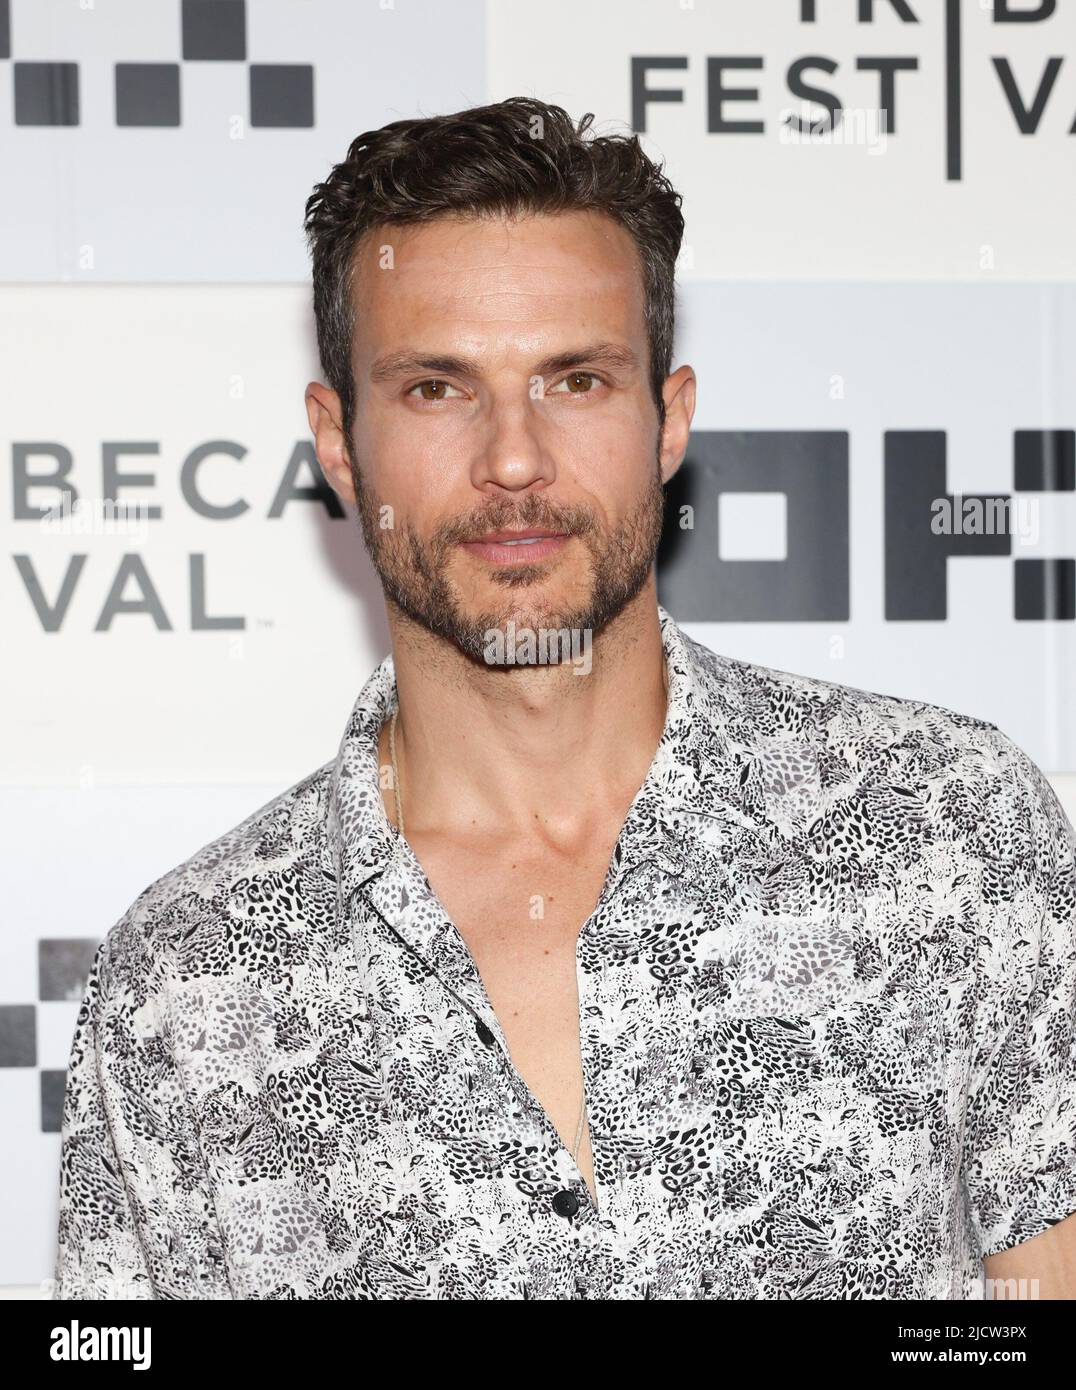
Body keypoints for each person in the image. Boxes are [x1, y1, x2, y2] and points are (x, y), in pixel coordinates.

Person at [53, 97, 1076, 1300]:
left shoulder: (951, 832)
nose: (514, 459)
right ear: (339, 446)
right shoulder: (184, 985)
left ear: (667, 419)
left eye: (575, 380)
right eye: (437, 388)